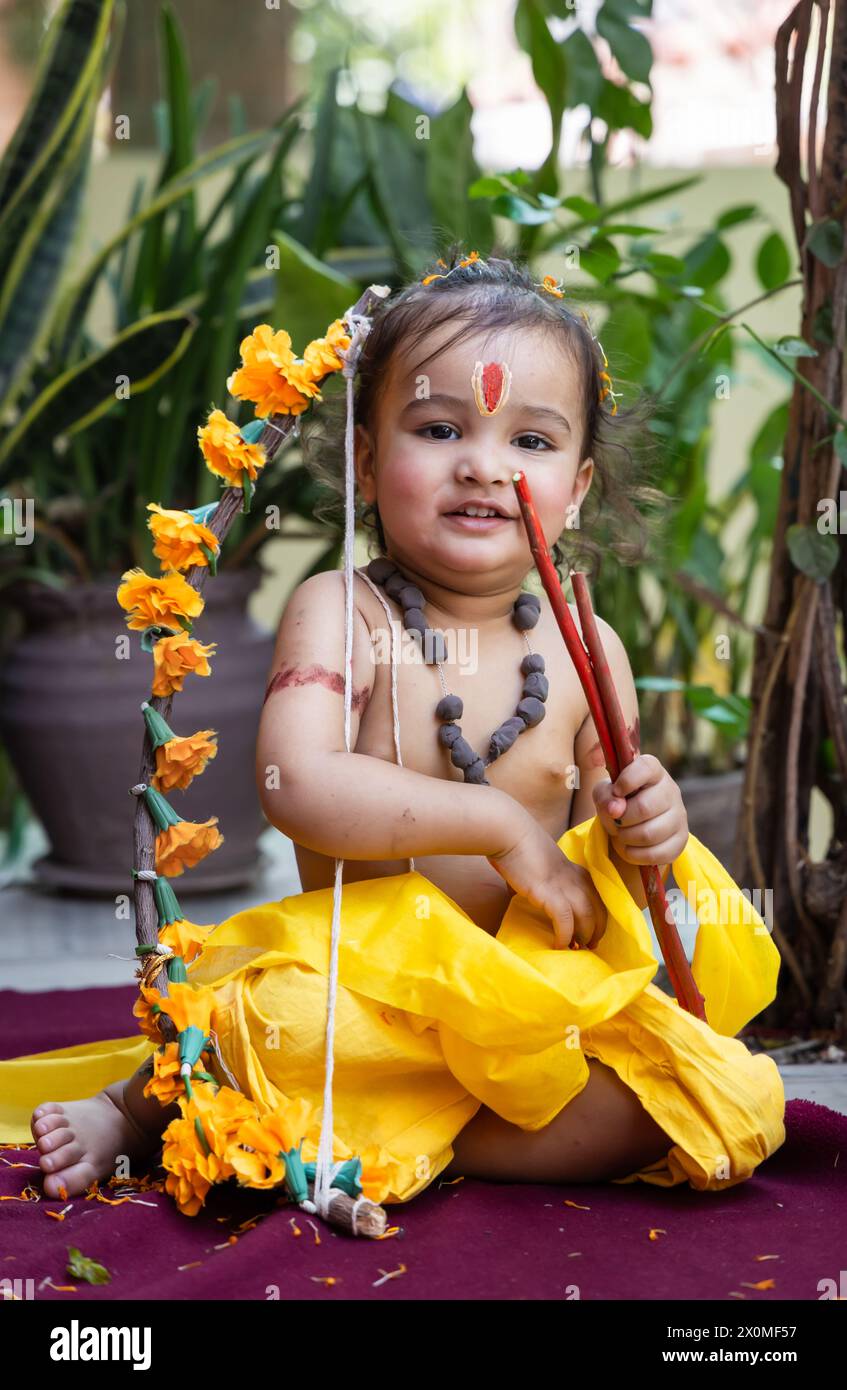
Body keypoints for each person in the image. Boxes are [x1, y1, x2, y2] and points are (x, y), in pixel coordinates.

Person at [11, 249, 784, 1211]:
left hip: (529, 998)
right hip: (367, 998)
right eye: (439, 426)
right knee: (277, 1019)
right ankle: (138, 1109)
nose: (484, 464)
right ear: (369, 466)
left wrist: (649, 821)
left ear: (577, 487)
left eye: (531, 444)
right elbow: (298, 786)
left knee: (716, 1100)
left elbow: (621, 830)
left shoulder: (589, 643)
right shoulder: (346, 613)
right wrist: (500, 827)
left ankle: (412, 1137)